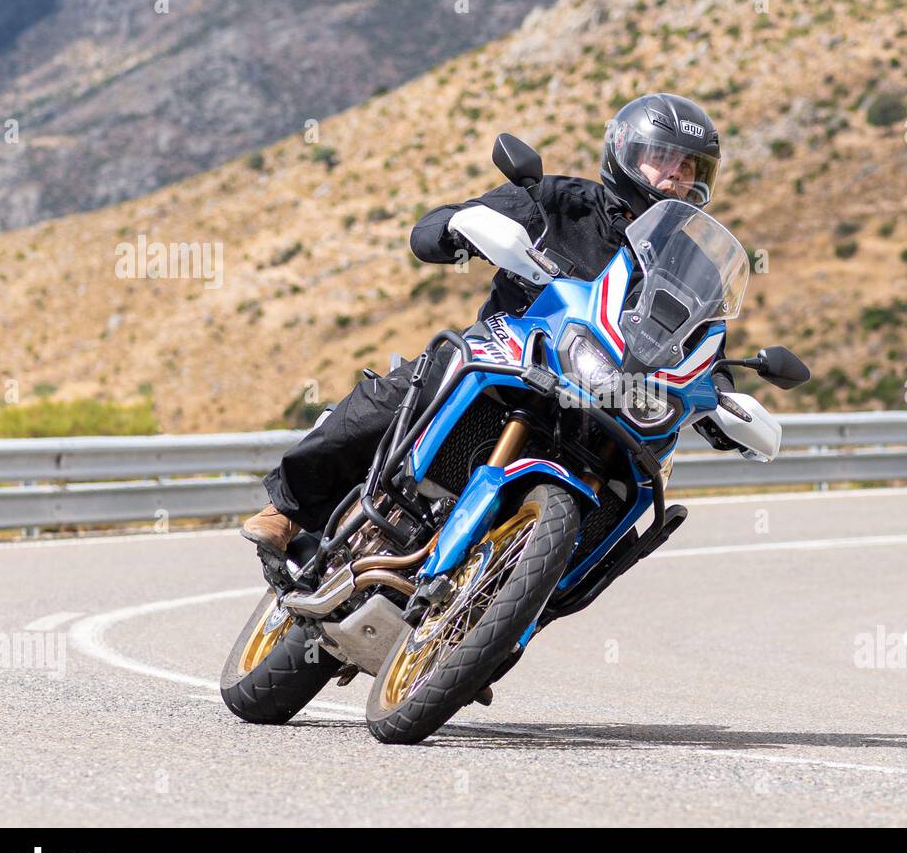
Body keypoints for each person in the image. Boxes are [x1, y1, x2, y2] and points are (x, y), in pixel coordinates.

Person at [242, 92, 727, 556]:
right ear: (625, 151)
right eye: (664, 158)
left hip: (603, 404)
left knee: (639, 487)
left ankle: (520, 611)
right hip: (510, 355)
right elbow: (432, 229)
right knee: (419, 380)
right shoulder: (558, 201)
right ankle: (290, 509)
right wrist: (458, 229)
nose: (675, 176)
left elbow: (704, 345)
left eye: (689, 168)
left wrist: (724, 398)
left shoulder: (691, 265)